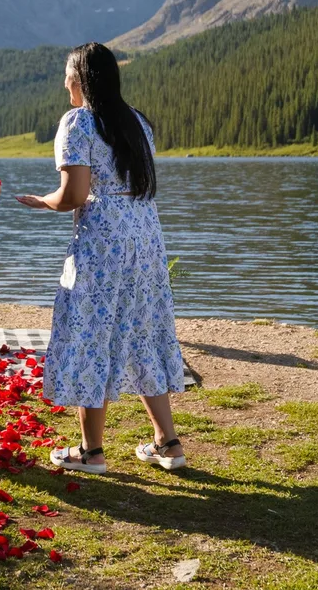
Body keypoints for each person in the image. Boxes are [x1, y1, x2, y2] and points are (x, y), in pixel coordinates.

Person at [15, 42, 188, 473]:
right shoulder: (137, 122)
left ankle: (91, 452)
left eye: (67, 75)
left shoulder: (78, 122)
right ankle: (168, 443)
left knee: (92, 332)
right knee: (143, 330)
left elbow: (74, 195)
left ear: (80, 79)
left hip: (103, 240)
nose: (64, 84)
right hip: (145, 236)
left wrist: (42, 201)